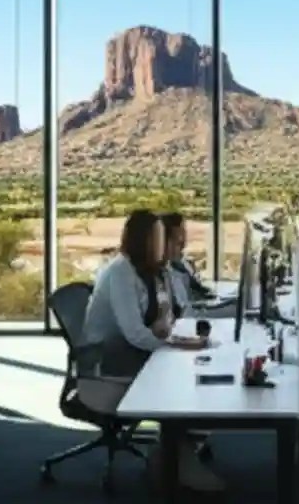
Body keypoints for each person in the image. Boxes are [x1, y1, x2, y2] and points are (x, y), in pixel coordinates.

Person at [77, 210, 224, 494]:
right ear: (143, 240)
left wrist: (168, 336)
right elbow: (137, 333)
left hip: (131, 354)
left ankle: (178, 454)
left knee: (200, 367)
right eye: (158, 237)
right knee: (187, 378)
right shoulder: (121, 272)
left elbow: (164, 322)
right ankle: (176, 460)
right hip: (104, 367)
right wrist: (173, 343)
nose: (164, 243)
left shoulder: (149, 271)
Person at [160, 212, 213, 308]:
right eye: (178, 242)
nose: (183, 246)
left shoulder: (181, 265)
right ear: (162, 241)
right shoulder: (165, 275)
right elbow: (182, 310)